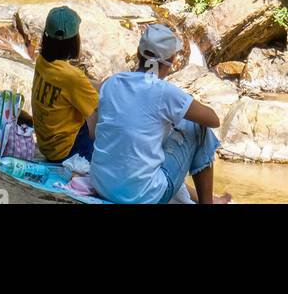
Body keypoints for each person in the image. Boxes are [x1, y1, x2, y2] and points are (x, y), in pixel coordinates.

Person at [89, 22, 230, 205]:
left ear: (139, 53)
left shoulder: (111, 82)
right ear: (171, 62)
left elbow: (95, 133)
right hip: (141, 197)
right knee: (196, 126)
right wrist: (182, 104)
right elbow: (213, 120)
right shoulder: (165, 92)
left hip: (102, 185)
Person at [31, 6, 99, 163]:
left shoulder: (42, 61)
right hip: (66, 151)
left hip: (47, 146)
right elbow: (96, 110)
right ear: (74, 42)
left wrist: (101, 84)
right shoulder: (73, 77)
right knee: (105, 108)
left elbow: (73, 85)